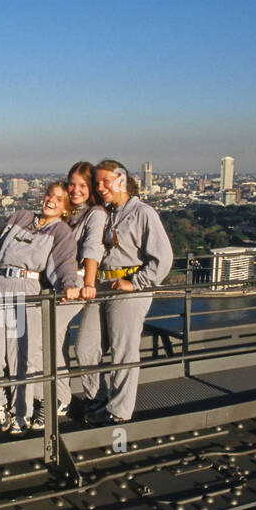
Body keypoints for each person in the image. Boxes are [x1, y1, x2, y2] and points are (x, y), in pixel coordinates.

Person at [0, 182, 78, 434]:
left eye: (59, 199)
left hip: (26, 290)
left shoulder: (61, 231)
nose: (51, 200)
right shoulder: (21, 216)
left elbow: (65, 263)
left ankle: (22, 412)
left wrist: (69, 285)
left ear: (66, 209)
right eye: (50, 195)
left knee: (21, 355)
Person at [84, 159, 172, 425]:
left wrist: (136, 282)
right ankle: (98, 398)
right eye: (97, 183)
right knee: (86, 347)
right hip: (101, 285)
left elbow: (164, 259)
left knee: (123, 350)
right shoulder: (106, 212)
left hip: (127, 288)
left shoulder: (143, 213)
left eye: (105, 181)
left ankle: (119, 411)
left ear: (121, 180)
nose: (100, 187)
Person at [58, 161, 107, 416]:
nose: (76, 190)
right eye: (72, 184)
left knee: (52, 332)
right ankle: (78, 396)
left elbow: (92, 249)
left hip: (78, 283)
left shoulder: (95, 214)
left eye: (83, 185)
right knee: (64, 339)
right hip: (60, 282)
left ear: (92, 188)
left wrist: (88, 284)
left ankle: (64, 397)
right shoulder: (68, 213)